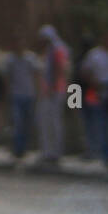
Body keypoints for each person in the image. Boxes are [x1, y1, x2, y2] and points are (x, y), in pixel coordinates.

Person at [80, 29, 108, 171]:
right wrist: (94, 82)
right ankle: (105, 156)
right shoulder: (94, 55)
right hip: (98, 93)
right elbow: (85, 72)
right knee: (101, 125)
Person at [35, 25, 69, 165]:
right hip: (48, 91)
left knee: (53, 123)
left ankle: (55, 152)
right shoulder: (49, 50)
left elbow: (60, 70)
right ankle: (48, 151)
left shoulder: (57, 49)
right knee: (45, 122)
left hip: (54, 91)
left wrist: (52, 88)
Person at [5, 35, 38, 162]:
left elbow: (36, 76)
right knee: (17, 123)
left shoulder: (31, 59)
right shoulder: (11, 60)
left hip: (29, 95)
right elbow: (8, 78)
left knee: (27, 123)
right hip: (16, 95)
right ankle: (18, 149)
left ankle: (25, 148)